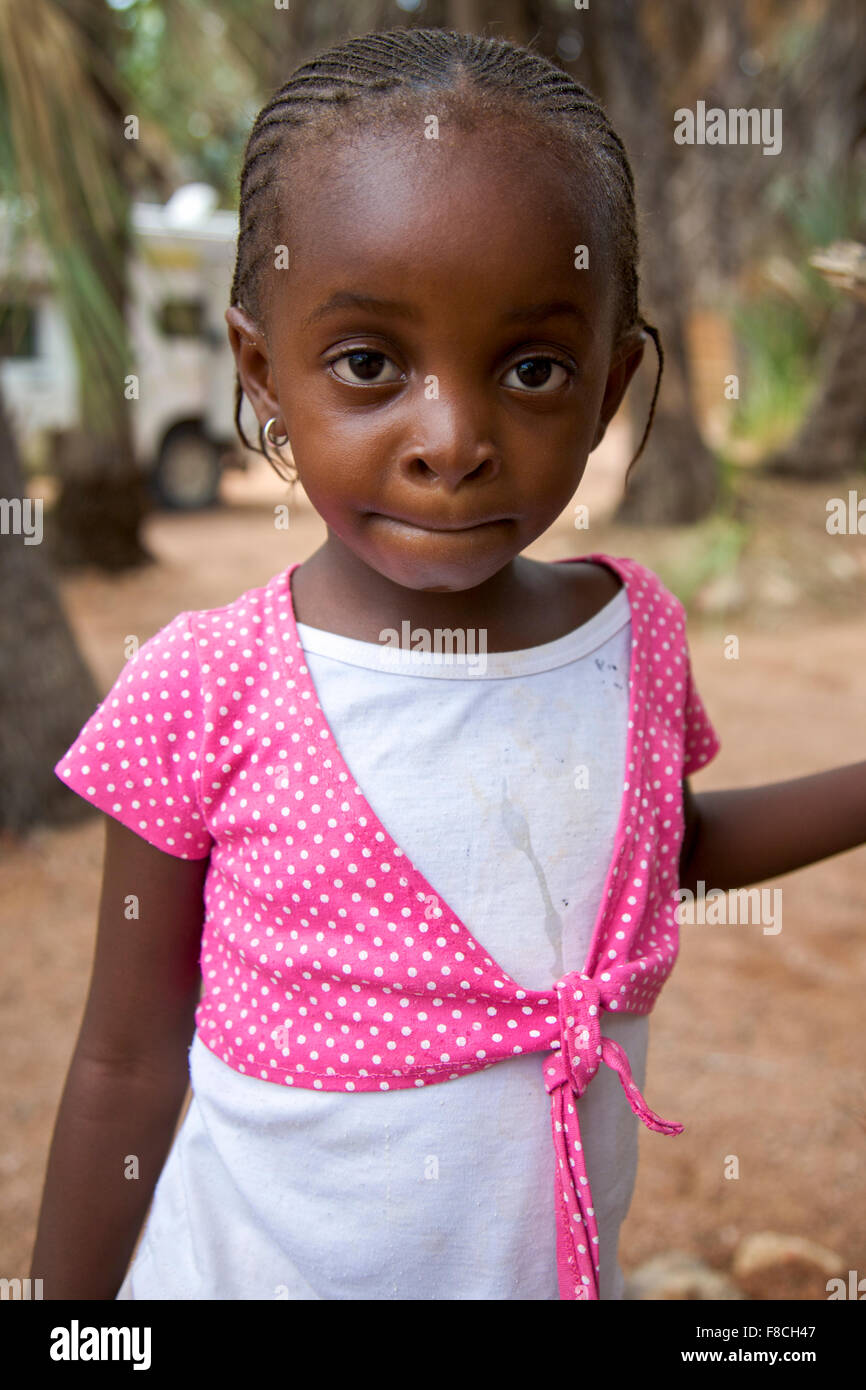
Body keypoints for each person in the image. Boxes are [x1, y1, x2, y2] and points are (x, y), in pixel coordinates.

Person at [30, 27, 866, 1301]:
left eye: (531, 369)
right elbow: (125, 1065)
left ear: (608, 386)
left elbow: (657, 852)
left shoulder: (628, 638)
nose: (453, 439)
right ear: (262, 369)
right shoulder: (206, 683)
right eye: (368, 363)